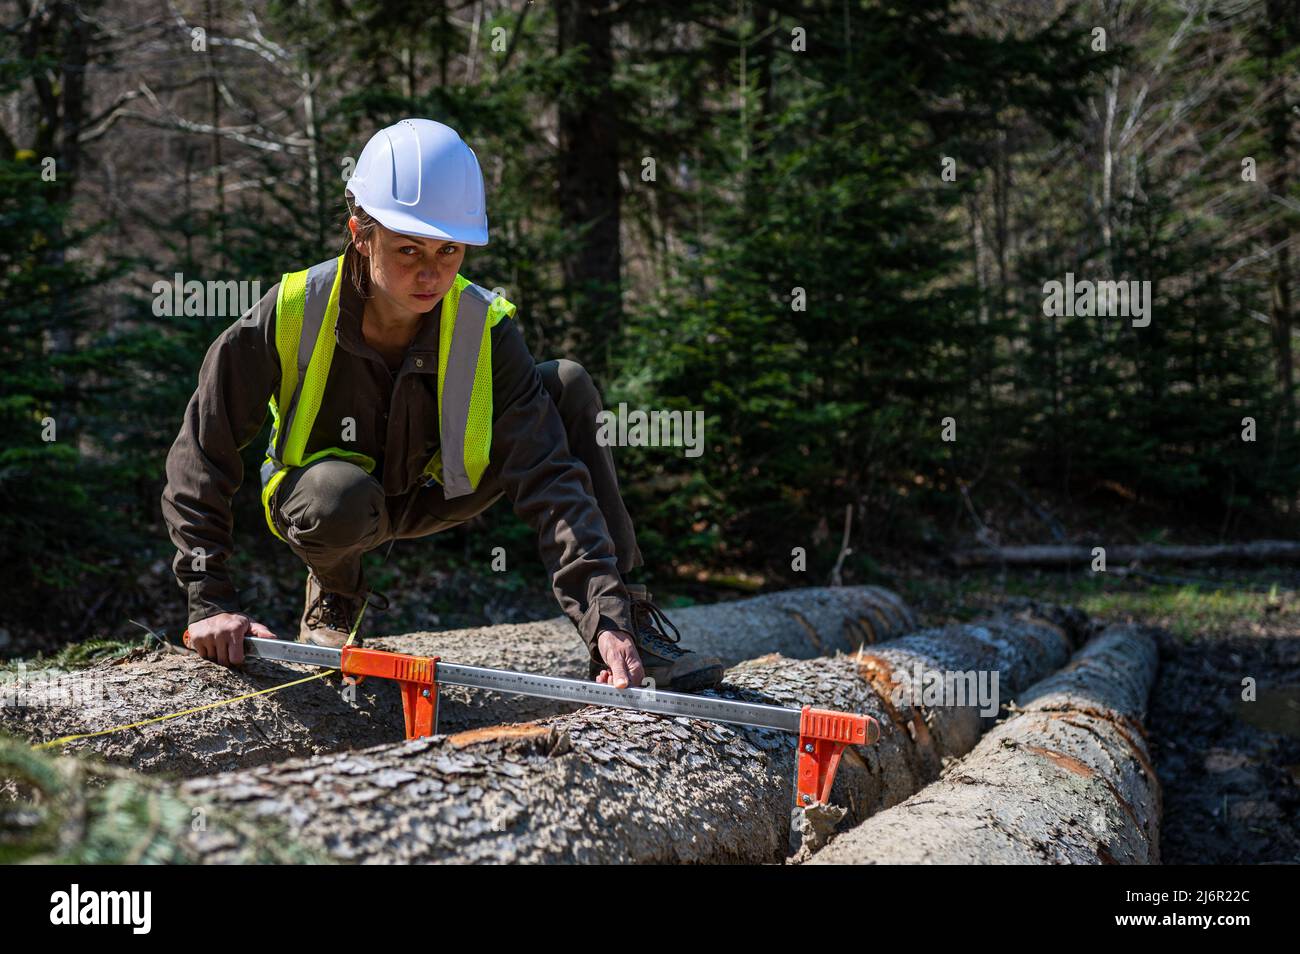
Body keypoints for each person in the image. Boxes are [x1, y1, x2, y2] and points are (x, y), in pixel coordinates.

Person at [160, 118, 723, 691]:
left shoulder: (484, 326)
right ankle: (336, 591)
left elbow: (551, 475)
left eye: (448, 250)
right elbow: (203, 451)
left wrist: (605, 620)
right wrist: (209, 601)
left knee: (567, 383)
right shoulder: (294, 310)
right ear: (360, 232)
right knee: (339, 497)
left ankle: (630, 625)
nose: (430, 273)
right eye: (408, 249)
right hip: (325, 502)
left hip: (441, 489)